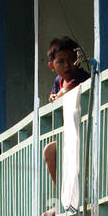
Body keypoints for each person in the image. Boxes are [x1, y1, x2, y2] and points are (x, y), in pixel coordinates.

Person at [43, 37, 90, 194]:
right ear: (51, 66)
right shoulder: (58, 80)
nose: (67, 65)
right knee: (49, 151)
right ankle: (61, 193)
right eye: (61, 61)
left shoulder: (81, 76)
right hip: (71, 133)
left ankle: (70, 196)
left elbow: (68, 91)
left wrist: (59, 95)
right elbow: (54, 94)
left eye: (71, 59)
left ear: (78, 60)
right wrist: (53, 96)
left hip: (86, 131)